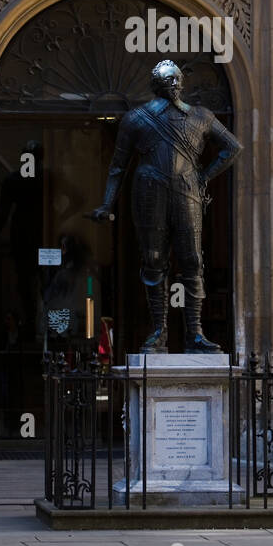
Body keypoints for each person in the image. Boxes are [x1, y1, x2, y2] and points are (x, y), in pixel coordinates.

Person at [91, 59, 242, 353]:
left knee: (192, 261)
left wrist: (203, 176)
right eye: (167, 83)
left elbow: (233, 147)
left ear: (181, 84)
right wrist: (107, 203)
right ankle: (158, 331)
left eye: (176, 82)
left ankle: (195, 333)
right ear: (157, 87)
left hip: (187, 192)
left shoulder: (201, 116)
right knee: (153, 260)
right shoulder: (137, 118)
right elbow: (117, 166)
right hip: (150, 192)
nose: (173, 87)